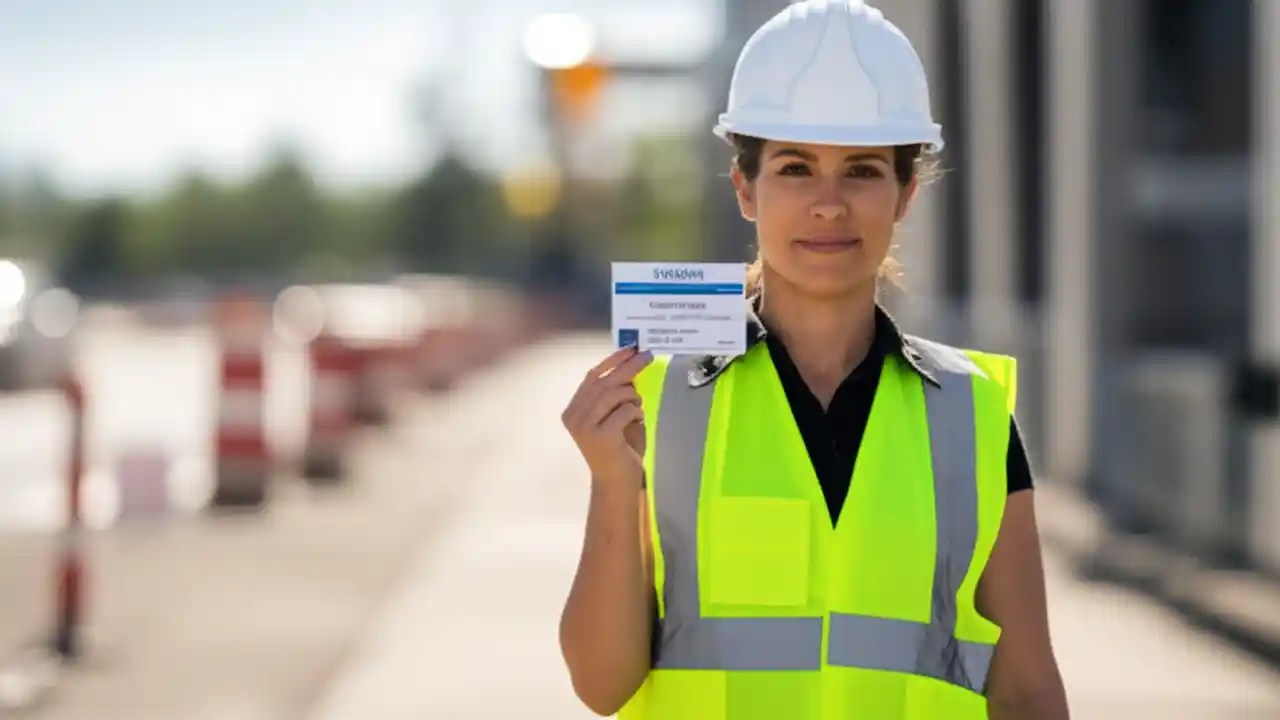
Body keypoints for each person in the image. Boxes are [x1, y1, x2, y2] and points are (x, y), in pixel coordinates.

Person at [558, 1, 1070, 717]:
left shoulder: (972, 412)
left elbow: (1026, 687)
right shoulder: (659, 402)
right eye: (796, 168)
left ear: (904, 195)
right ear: (745, 188)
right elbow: (600, 686)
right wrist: (614, 484)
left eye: (860, 171)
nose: (829, 204)